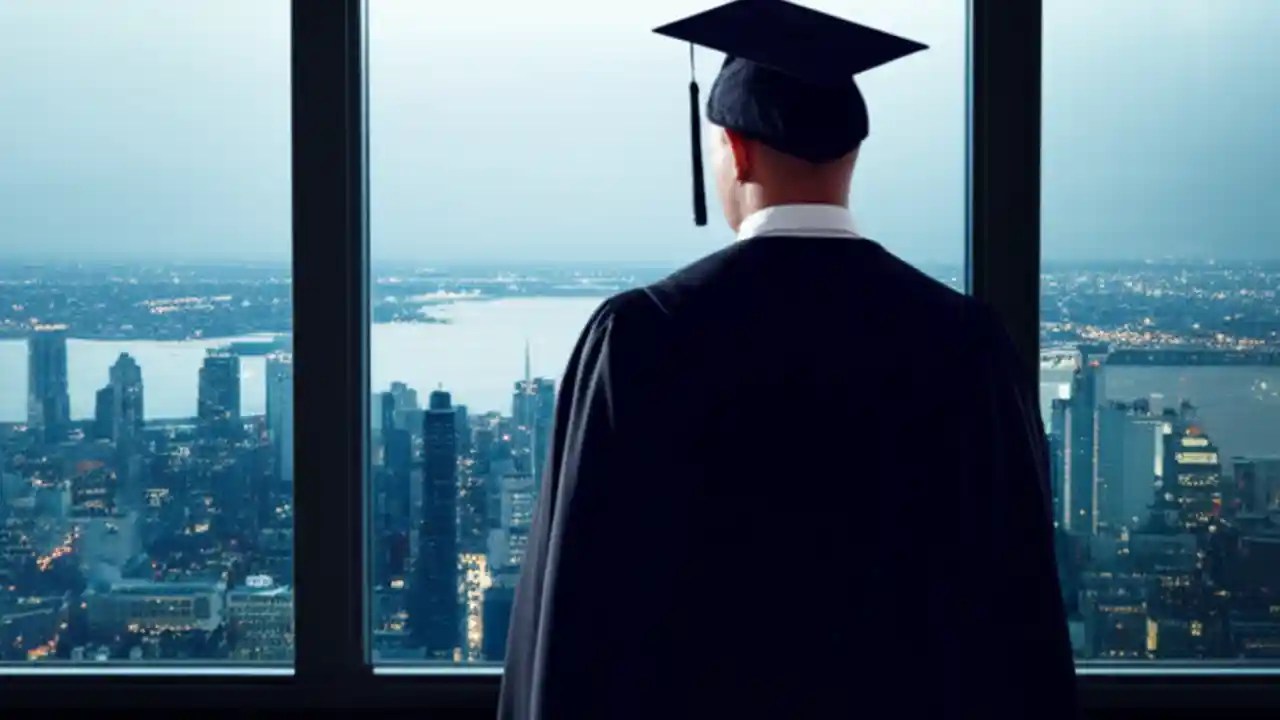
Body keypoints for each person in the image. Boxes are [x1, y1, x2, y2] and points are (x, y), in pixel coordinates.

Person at [499, 1, 1076, 717]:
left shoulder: (644, 336)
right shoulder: (965, 342)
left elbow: (580, 611)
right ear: (852, 152)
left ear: (736, 149)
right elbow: (1016, 614)